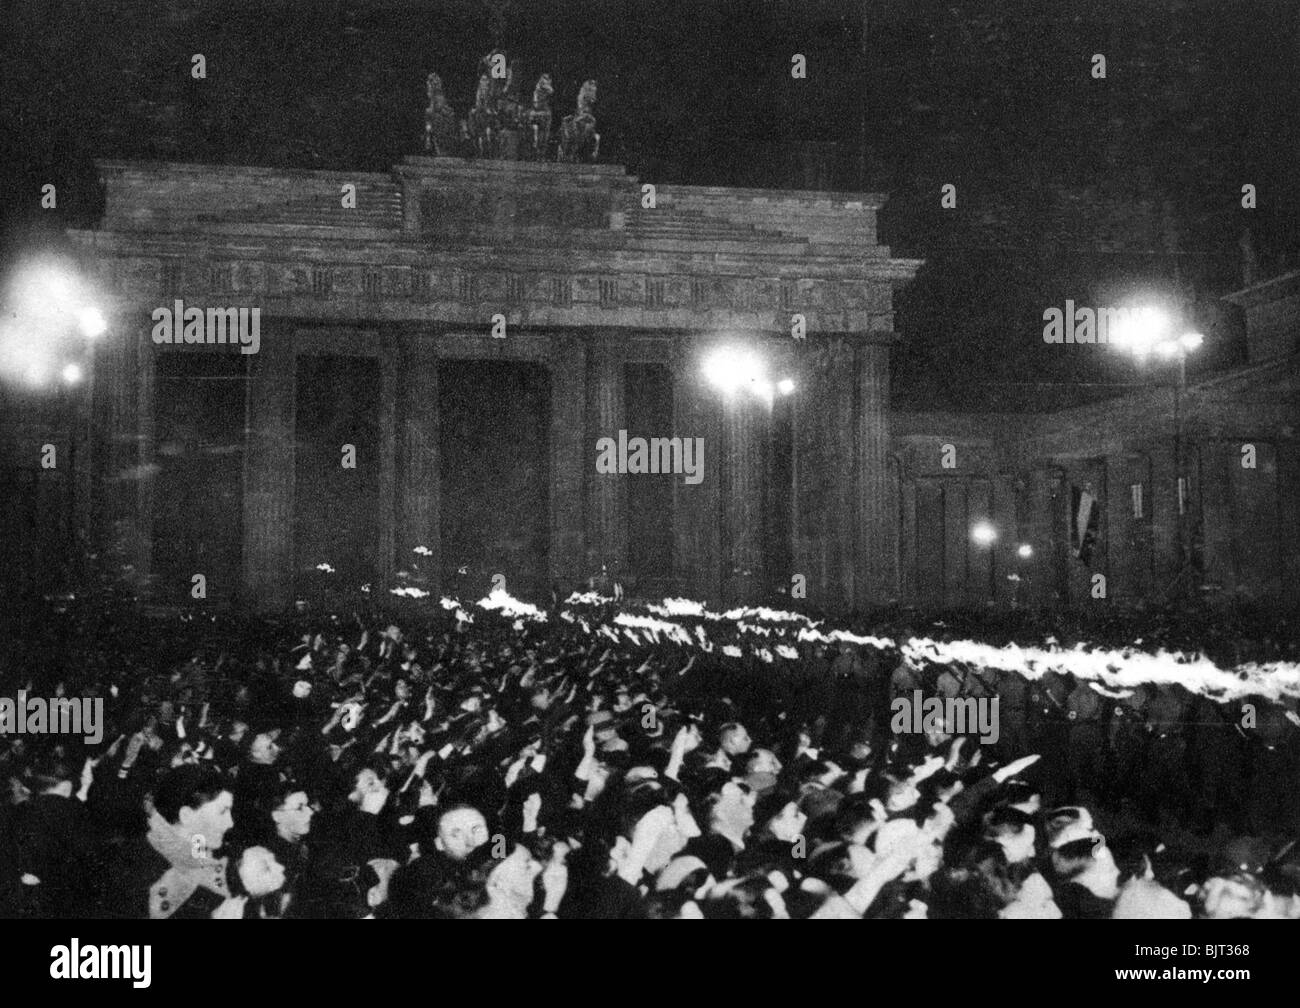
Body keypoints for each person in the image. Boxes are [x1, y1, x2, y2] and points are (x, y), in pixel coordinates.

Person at [93, 765, 235, 919]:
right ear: (186, 816)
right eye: (222, 811)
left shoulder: (198, 854)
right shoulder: (139, 871)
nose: (230, 823)